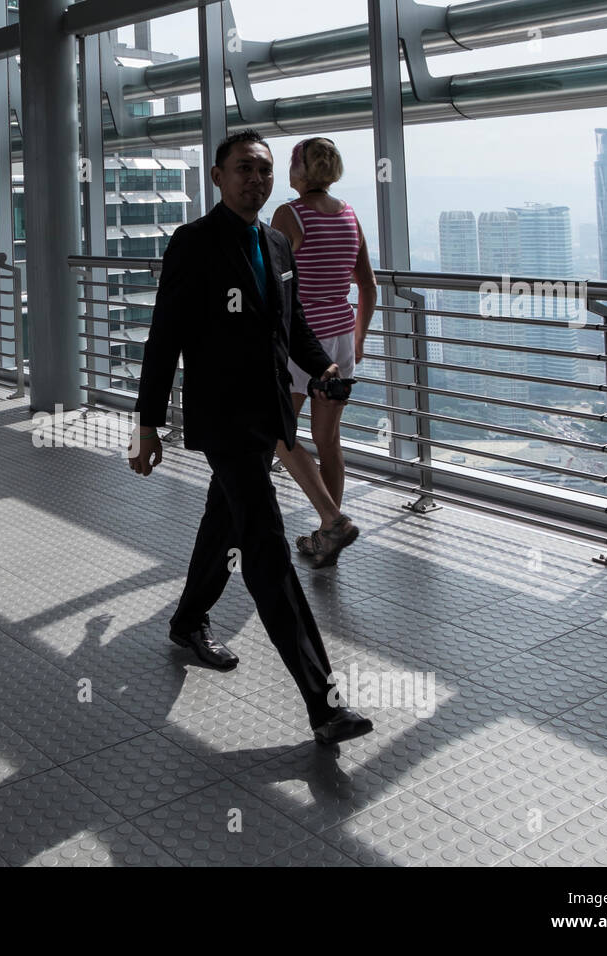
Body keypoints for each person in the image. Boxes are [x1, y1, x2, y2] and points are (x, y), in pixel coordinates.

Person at [129, 130, 373, 748]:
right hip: (223, 419)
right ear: (217, 176)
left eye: (264, 170)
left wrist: (323, 366)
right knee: (265, 547)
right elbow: (164, 337)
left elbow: (292, 325)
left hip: (269, 415)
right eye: (243, 169)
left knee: (225, 519)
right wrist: (147, 423)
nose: (256, 180)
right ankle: (325, 704)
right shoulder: (193, 243)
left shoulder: (277, 243)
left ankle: (188, 620)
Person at [270, 137, 377, 567]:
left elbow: (270, 282)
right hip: (340, 340)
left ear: (299, 169)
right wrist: (359, 338)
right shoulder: (349, 214)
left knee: (278, 432)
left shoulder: (289, 214)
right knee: (328, 441)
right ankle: (327, 534)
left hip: (301, 341)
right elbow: (367, 285)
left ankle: (333, 523)